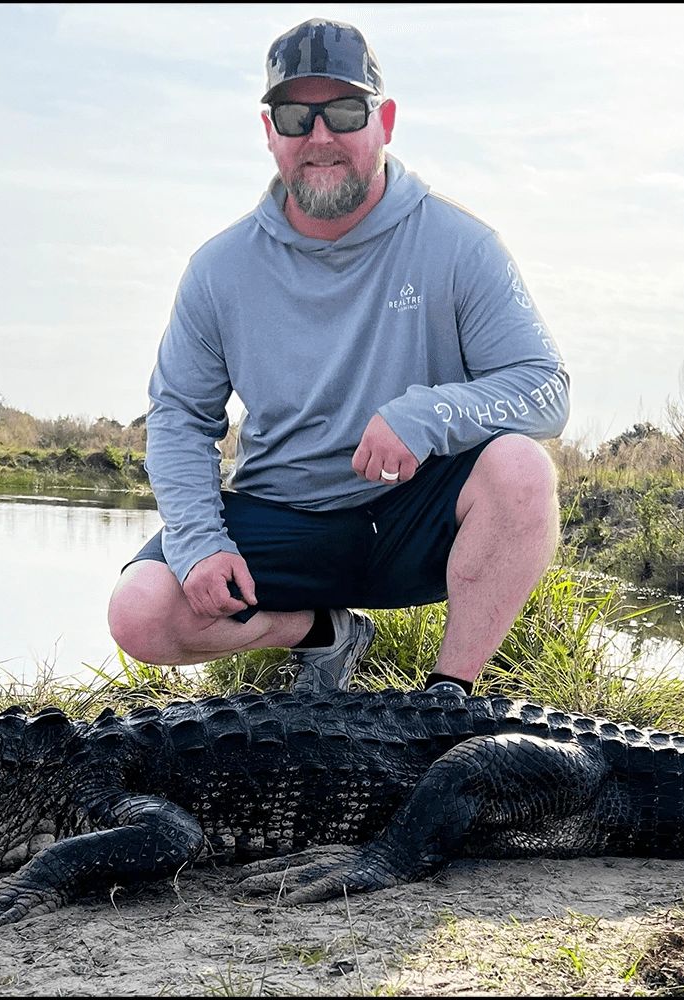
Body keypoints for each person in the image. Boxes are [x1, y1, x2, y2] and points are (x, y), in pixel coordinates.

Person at [107, 18, 569, 697]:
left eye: (344, 112)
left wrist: (428, 414)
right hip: (281, 517)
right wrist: (201, 540)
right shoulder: (218, 269)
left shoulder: (460, 244)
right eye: (296, 116)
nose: (319, 137)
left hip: (413, 521)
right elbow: (179, 415)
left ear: (383, 120)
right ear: (270, 132)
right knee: (139, 614)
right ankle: (323, 632)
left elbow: (545, 389)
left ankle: (448, 696)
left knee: (523, 469)